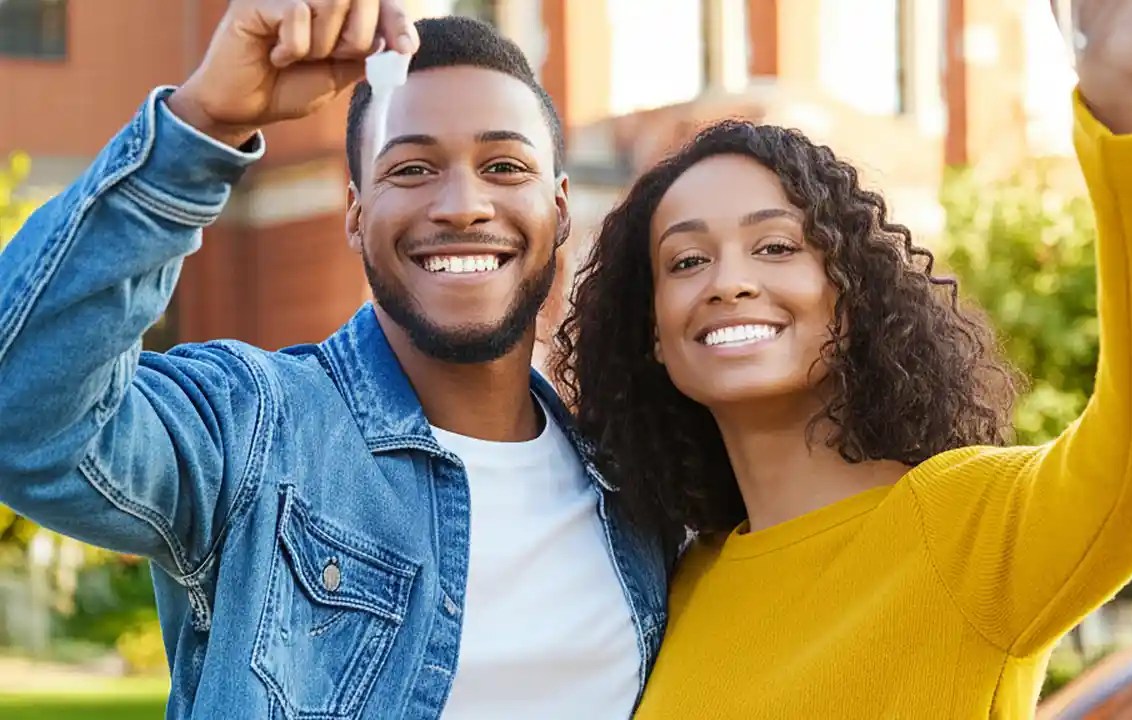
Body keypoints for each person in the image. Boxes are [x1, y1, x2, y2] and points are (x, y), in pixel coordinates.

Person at [553, 0, 1132, 716]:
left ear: (849, 295)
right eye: (686, 261)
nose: (729, 281)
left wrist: (1130, 99)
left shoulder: (959, 530)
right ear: (652, 333)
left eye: (775, 246)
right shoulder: (681, 585)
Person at [0, 2, 669, 718]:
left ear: (560, 207)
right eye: (411, 168)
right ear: (355, 211)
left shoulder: (636, 489)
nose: (463, 205)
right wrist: (206, 124)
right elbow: (24, 419)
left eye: (505, 165)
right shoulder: (255, 430)